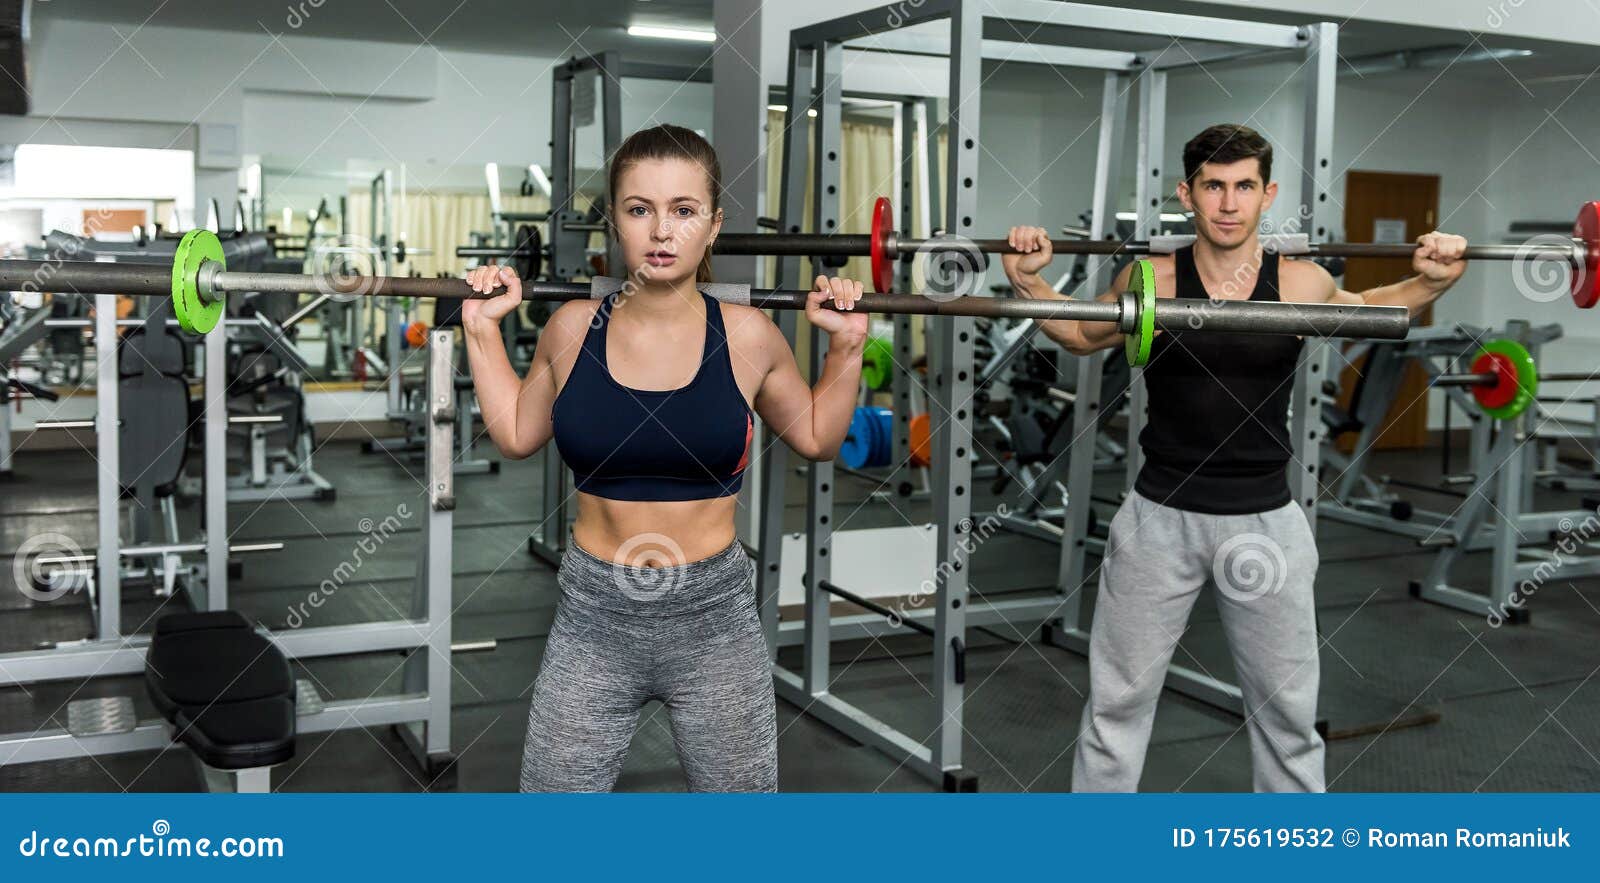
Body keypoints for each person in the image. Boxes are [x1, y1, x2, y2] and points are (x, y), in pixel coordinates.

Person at [1001, 123, 1469, 792]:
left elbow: (1372, 309)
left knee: (1288, 718)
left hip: (1265, 522)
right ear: (1186, 193)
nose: (1228, 203)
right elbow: (1079, 332)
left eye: (1244, 186)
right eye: (1213, 186)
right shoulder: (1152, 277)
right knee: (1116, 707)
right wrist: (1026, 279)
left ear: (1266, 194)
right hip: (1158, 519)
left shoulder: (1300, 281)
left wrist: (1433, 281)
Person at [461, 124, 869, 792]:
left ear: (713, 226)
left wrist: (847, 347)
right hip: (593, 617)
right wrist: (482, 330)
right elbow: (515, 434)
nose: (661, 231)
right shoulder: (571, 328)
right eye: (639, 209)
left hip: (715, 622)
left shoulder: (748, 335)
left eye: (683, 210)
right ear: (615, 222)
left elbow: (819, 437)